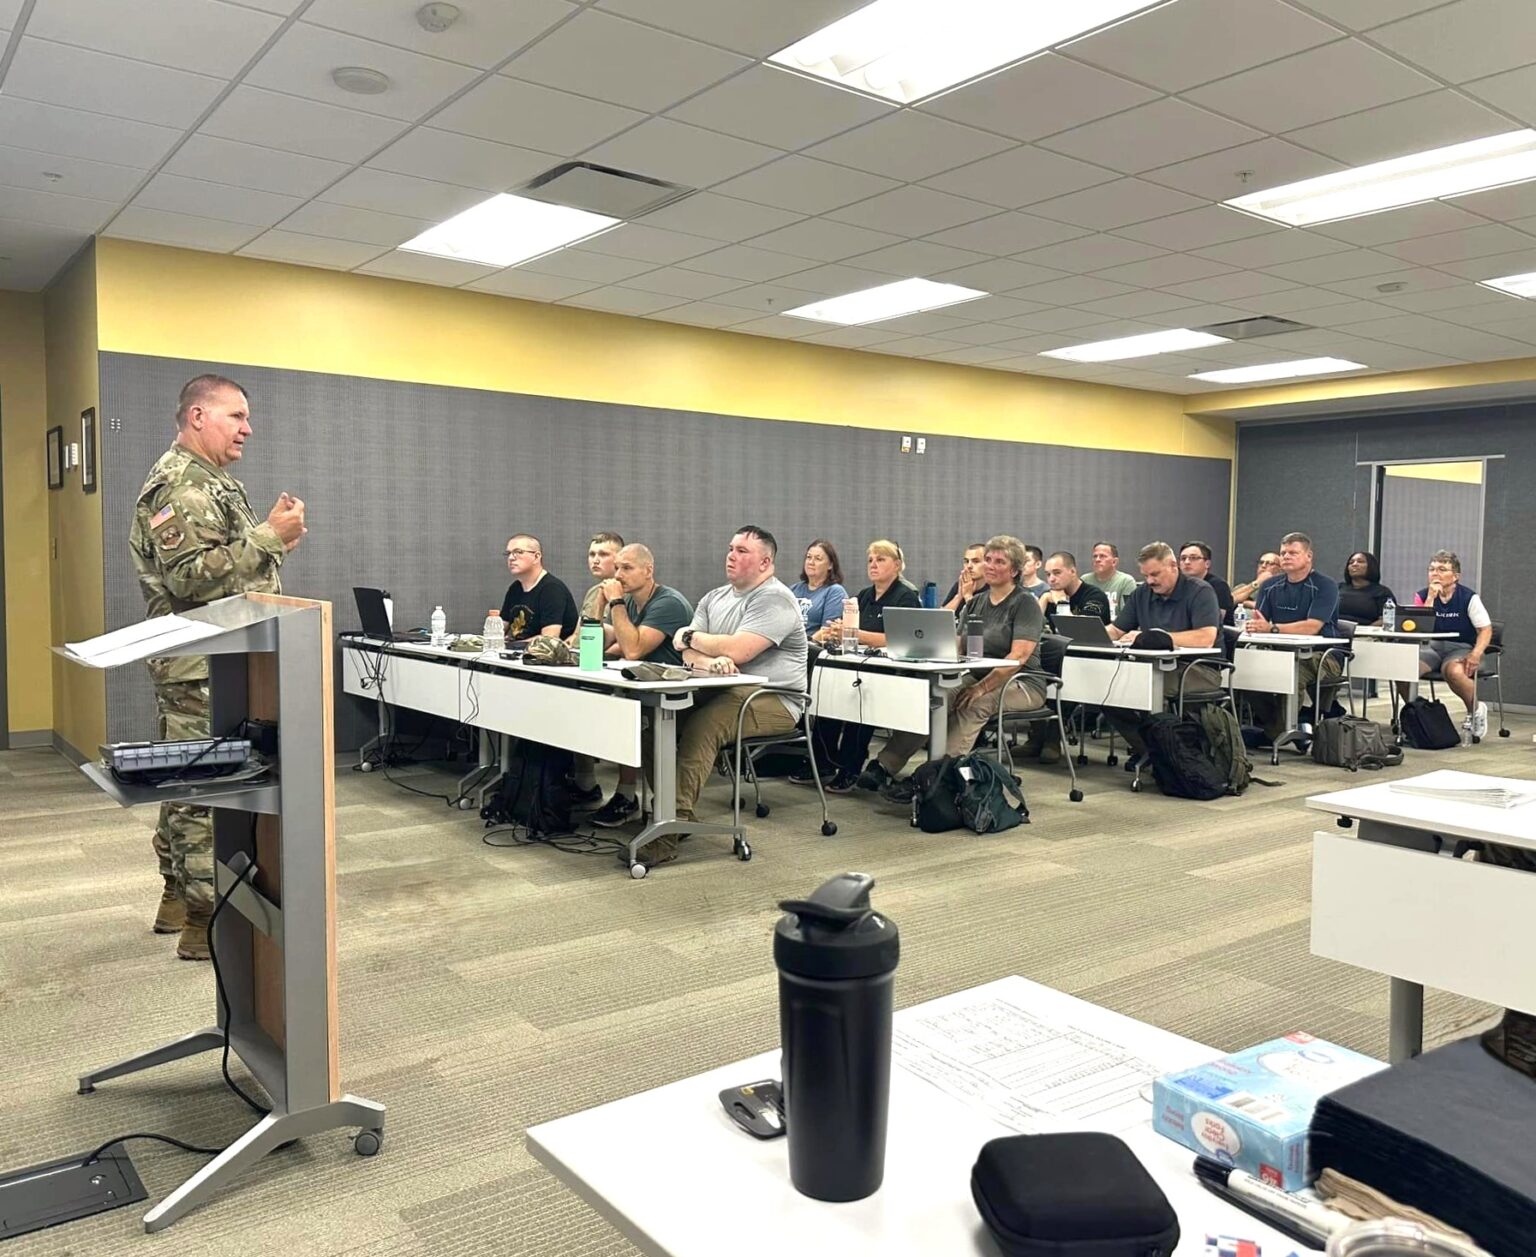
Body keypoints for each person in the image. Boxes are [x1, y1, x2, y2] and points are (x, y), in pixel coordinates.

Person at [129, 374, 306, 961]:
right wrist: (270, 539)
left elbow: (226, 565)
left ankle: (178, 896)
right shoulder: (180, 485)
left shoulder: (213, 481)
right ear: (198, 416)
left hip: (219, 661)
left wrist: (265, 537)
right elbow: (190, 577)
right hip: (201, 666)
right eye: (236, 416)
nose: (247, 428)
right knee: (202, 789)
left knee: (184, 776)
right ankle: (205, 917)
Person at [633, 526, 806, 868]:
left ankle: (669, 827)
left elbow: (739, 649)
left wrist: (694, 638)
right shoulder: (714, 597)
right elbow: (684, 653)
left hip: (775, 697)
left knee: (703, 725)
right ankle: (672, 814)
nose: (731, 555)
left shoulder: (775, 599)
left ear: (765, 561)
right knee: (650, 722)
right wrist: (709, 657)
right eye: (731, 548)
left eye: (742, 551)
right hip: (720, 689)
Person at [861, 535, 1047, 800]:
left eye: (999, 562)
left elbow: (1018, 657)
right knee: (936, 698)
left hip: (1023, 681)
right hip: (980, 675)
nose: (991, 566)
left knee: (974, 704)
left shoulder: (1024, 602)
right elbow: (957, 646)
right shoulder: (977, 602)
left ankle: (935, 777)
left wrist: (980, 688)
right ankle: (884, 765)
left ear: (1014, 570)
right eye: (988, 560)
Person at [588, 544, 695, 828]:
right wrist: (598, 608)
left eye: (627, 568)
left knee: (623, 715)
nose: (619, 575)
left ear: (648, 571)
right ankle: (588, 786)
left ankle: (628, 797)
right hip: (642, 689)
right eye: (617, 568)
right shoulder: (632, 604)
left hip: (673, 696)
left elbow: (632, 650)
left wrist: (615, 604)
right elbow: (596, 651)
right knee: (593, 704)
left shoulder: (667, 602)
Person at [804, 540, 920, 791]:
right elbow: (848, 628)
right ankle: (823, 761)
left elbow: (900, 639)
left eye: (881, 559)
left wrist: (855, 634)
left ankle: (850, 767)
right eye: (870, 560)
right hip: (858, 663)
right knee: (829, 690)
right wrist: (837, 631)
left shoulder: (905, 597)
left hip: (890, 671)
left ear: (897, 565)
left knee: (859, 698)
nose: (873, 565)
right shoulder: (865, 595)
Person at [1103, 542, 1222, 765]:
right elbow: (1117, 630)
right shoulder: (1142, 593)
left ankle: (1165, 752)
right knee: (1109, 689)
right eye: (1146, 575)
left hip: (1198, 668)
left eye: (1155, 574)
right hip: (1153, 667)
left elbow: (1205, 638)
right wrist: (1092, 635)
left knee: (1140, 685)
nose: (1150, 581)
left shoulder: (1200, 591)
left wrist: (1155, 637)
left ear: (1173, 566)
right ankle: (1154, 750)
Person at [1245, 532, 1343, 742]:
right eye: (1283, 553)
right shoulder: (1270, 586)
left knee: (1290, 672)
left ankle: (1280, 732)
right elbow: (1261, 623)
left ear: (1309, 556)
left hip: (1324, 656)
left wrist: (1272, 629)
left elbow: (1312, 627)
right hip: (1278, 651)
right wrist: (1258, 627)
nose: (1286, 557)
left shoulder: (1325, 586)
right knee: (1246, 673)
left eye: (1293, 552)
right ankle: (1278, 726)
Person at [566, 531, 625, 805]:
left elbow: (626, 640)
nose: (595, 560)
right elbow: (579, 636)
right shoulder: (593, 591)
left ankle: (625, 794)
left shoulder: (625, 592)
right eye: (592, 554)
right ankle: (584, 782)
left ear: (620, 559)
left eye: (603, 554)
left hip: (615, 672)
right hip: (585, 667)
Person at [1409, 549, 1493, 738]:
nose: (1435, 574)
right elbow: (1419, 628)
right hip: (1432, 647)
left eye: (1442, 569)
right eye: (1431, 569)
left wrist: (1476, 654)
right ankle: (1416, 714)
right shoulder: (1422, 596)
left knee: (1454, 671)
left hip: (1462, 647)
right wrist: (1431, 598)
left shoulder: (1468, 597)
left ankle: (1476, 709)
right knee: (1405, 670)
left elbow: (1485, 630)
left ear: (1455, 576)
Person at [500, 534, 579, 641]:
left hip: (549, 656)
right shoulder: (515, 588)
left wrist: (512, 646)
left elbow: (549, 639)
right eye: (508, 553)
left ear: (536, 557)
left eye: (518, 552)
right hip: (519, 652)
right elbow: (499, 630)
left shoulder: (552, 589)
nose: (511, 558)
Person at [790, 539, 849, 635]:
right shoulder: (793, 589)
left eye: (818, 559)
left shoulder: (835, 592)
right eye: (808, 557)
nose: (811, 562)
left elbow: (828, 631)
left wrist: (808, 643)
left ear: (830, 565)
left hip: (815, 647)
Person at [1039, 550, 1111, 625]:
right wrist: (1043, 599)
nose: (1051, 579)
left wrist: (1061, 604)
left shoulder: (1095, 597)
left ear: (1073, 572)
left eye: (1057, 573)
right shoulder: (1049, 596)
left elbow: (1081, 632)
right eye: (1048, 574)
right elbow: (1032, 631)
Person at [1179, 540, 1234, 623]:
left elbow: (1215, 619)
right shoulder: (1178, 585)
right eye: (1183, 558)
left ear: (1207, 564)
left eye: (1193, 558)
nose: (1187, 562)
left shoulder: (1218, 585)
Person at [1337, 550, 1395, 626]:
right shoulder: (1338, 588)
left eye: (1360, 562)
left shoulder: (1382, 592)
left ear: (1371, 566)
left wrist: (1366, 632)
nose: (1354, 564)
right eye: (1351, 562)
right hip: (1333, 631)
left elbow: (1386, 619)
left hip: (1366, 634)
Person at [942, 542, 986, 611]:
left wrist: (968, 596)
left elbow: (981, 620)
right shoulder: (960, 585)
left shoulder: (993, 590)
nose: (969, 566)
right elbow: (941, 618)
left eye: (976, 561)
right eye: (966, 561)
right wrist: (959, 596)